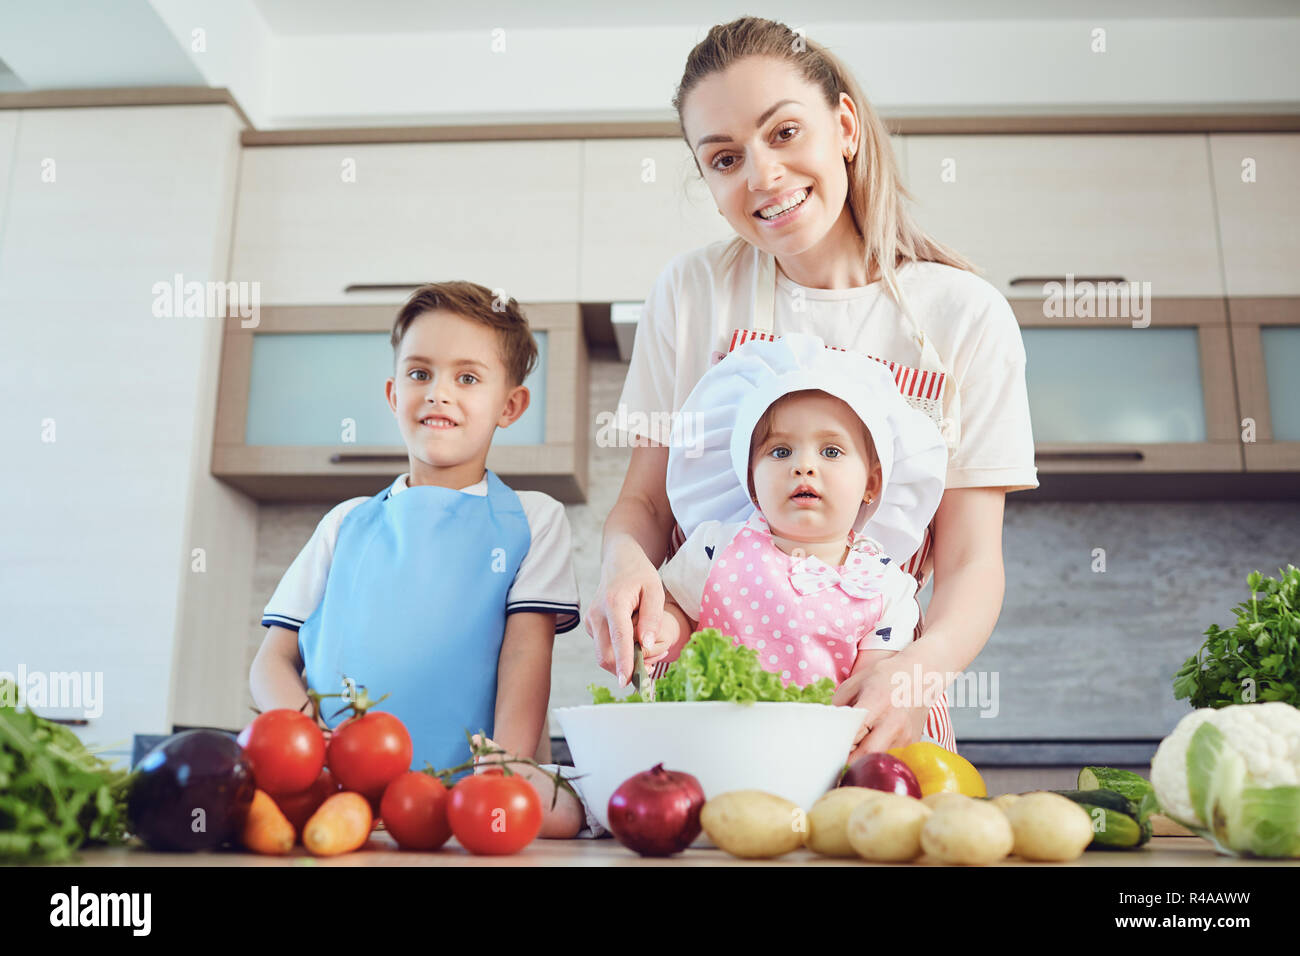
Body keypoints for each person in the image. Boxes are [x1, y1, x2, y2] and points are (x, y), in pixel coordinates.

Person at [588, 16, 1038, 753]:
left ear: (846, 127)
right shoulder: (695, 291)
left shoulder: (963, 315)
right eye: (726, 158)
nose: (762, 175)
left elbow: (970, 563)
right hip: (700, 710)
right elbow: (641, 503)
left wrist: (918, 671)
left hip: (872, 705)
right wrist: (622, 561)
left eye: (785, 133)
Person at [250, 281, 590, 836]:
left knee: (567, 811)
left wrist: (505, 766)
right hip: (339, 786)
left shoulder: (534, 519)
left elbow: (527, 655)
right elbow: (271, 662)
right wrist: (313, 746)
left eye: (468, 378)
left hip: (463, 791)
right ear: (392, 393)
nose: (438, 393)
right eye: (419, 373)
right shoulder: (344, 523)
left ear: (510, 405)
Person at [645, 334, 948, 760]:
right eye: (781, 451)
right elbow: (676, 606)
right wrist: (661, 634)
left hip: (820, 760)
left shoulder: (887, 587)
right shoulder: (715, 548)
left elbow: (869, 683)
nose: (804, 465)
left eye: (831, 450)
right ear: (751, 482)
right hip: (712, 751)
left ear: (872, 485)